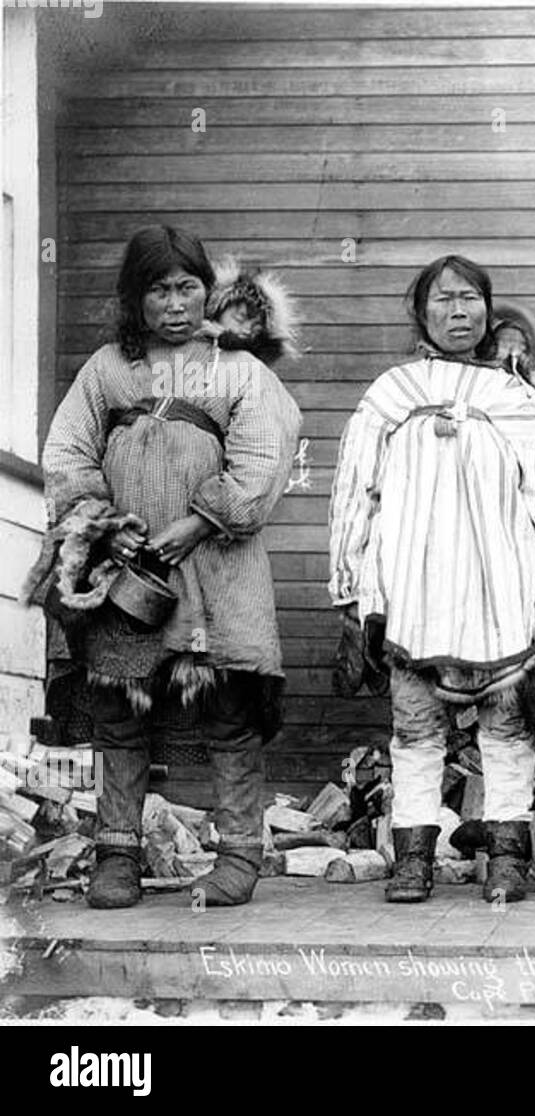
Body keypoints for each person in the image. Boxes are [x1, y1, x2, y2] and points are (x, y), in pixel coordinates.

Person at [36, 224, 301, 909]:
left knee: (227, 712)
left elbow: (264, 455)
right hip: (127, 576)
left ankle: (239, 853)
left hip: (217, 570)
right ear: (135, 298)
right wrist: (102, 525)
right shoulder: (106, 369)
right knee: (120, 712)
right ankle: (117, 853)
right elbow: (67, 452)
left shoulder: (236, 368)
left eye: (188, 287)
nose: (176, 304)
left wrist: (202, 520)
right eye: (158, 289)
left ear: (206, 292)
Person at [328, 255, 535, 904]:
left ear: (489, 311)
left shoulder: (522, 401)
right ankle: (412, 861)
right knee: (415, 734)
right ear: (421, 313)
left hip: (499, 597)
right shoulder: (391, 394)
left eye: (470, 298)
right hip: (413, 599)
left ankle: (506, 856)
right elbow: (355, 495)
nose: (458, 311)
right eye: (442, 300)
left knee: (506, 732)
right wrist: (354, 591)